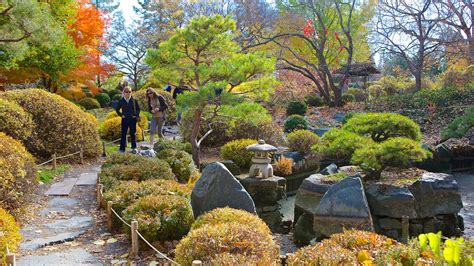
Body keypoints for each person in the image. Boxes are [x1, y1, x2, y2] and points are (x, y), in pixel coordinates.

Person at [115, 86, 140, 153]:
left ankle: (134, 148)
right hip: (125, 119)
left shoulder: (134, 100)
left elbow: (138, 109)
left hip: (132, 120)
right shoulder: (121, 101)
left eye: (129, 92)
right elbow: (117, 109)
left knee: (133, 133)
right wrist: (121, 115)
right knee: (123, 134)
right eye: (126, 92)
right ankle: (122, 149)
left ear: (131, 92)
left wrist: (136, 115)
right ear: (124, 92)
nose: (128, 93)